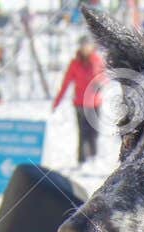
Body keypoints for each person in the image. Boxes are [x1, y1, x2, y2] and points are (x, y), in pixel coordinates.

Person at [52, 36, 106, 165]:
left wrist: (100, 84)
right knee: (82, 132)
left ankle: (94, 157)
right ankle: (81, 159)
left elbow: (105, 76)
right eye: (82, 45)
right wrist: (57, 102)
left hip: (94, 102)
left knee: (94, 131)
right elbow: (65, 83)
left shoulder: (97, 60)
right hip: (80, 103)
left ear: (91, 47)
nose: (84, 48)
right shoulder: (75, 63)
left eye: (87, 45)